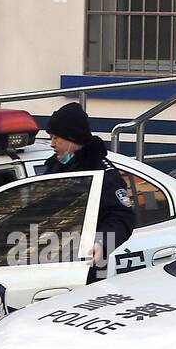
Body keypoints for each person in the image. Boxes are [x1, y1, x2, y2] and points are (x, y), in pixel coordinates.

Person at [42, 102, 136, 284]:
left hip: (86, 266)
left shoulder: (104, 174)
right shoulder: (55, 166)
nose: (52, 144)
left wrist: (102, 244)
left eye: (56, 138)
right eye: (50, 137)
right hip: (51, 259)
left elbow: (122, 217)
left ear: (72, 139)